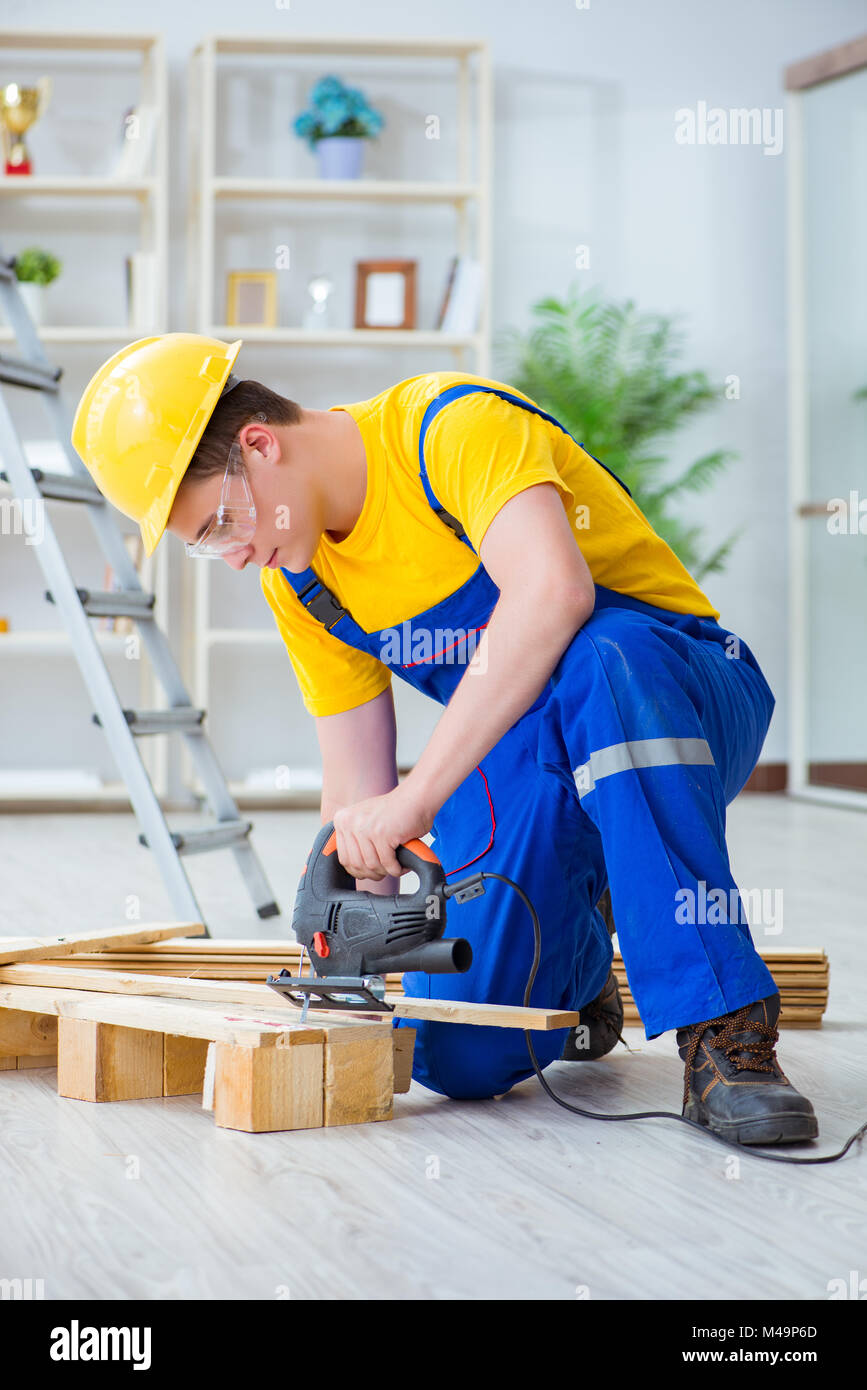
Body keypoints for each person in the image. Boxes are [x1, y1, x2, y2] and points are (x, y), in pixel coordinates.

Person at [72, 332, 818, 1146]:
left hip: (677, 693)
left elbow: (551, 592)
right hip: (528, 746)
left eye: (220, 524)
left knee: (606, 655)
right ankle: (578, 960)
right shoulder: (305, 579)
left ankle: (725, 1034)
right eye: (205, 545)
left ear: (259, 443)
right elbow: (354, 783)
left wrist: (416, 798)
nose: (235, 555)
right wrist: (344, 915)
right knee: (460, 1058)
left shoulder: (446, 429)